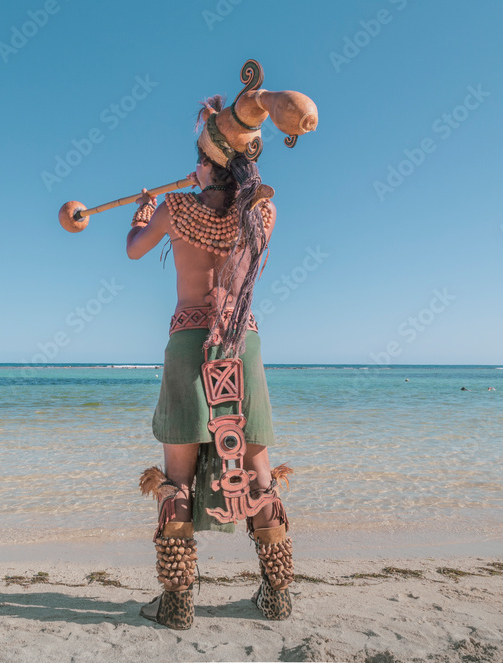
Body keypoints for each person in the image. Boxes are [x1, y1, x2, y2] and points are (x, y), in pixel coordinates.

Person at [125, 60, 316, 630]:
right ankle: (277, 594)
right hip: (241, 346)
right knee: (258, 472)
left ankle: (179, 604)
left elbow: (135, 249)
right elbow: (234, 203)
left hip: (189, 341)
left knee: (177, 477)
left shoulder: (174, 208)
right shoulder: (263, 212)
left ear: (206, 160)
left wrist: (142, 214)